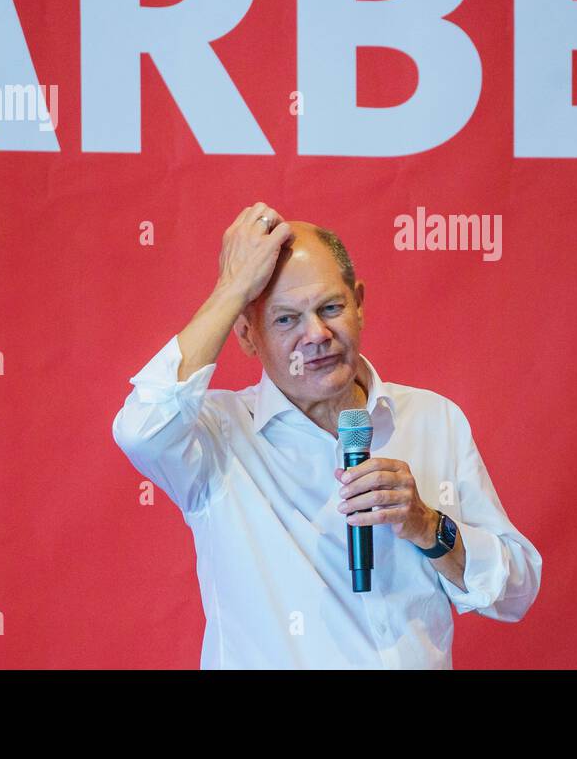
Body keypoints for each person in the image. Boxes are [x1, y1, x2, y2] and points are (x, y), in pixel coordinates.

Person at [111, 202, 541, 668]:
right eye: (285, 319)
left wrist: (427, 525)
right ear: (246, 335)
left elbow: (515, 594)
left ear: (359, 303)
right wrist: (232, 287)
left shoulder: (433, 419)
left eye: (330, 307)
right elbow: (140, 429)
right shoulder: (215, 434)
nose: (316, 334)